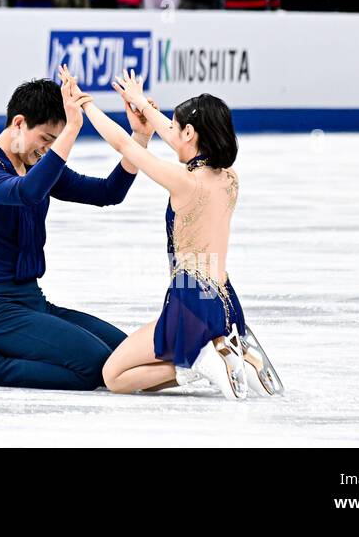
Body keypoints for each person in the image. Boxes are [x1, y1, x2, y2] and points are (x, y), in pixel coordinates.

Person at [80, 69, 283, 399]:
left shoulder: (184, 181)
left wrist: (86, 105)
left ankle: (199, 363)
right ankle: (227, 350)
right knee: (134, 371)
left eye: (175, 128)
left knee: (114, 375)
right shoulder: (229, 178)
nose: (169, 133)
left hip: (190, 300)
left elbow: (123, 145)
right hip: (224, 302)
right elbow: (177, 138)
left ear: (190, 133)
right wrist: (142, 107)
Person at [0, 72, 148, 391]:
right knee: (92, 366)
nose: (48, 151)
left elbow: (107, 192)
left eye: (57, 140)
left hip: (32, 301)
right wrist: (73, 129)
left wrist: (139, 139)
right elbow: (26, 192)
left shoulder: (37, 167)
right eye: (47, 140)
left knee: (123, 355)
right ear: (19, 124)